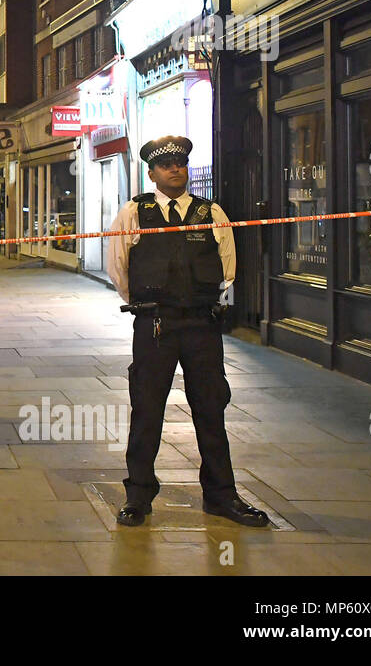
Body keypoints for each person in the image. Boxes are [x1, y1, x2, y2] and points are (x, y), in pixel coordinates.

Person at [106, 135, 269, 528]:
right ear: (152, 173)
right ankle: (138, 497)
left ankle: (221, 495)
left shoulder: (211, 212)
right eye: (166, 165)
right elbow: (118, 267)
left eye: (180, 163)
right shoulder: (133, 212)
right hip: (155, 325)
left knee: (211, 409)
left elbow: (228, 267)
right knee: (147, 411)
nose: (175, 169)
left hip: (201, 325)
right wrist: (147, 304)